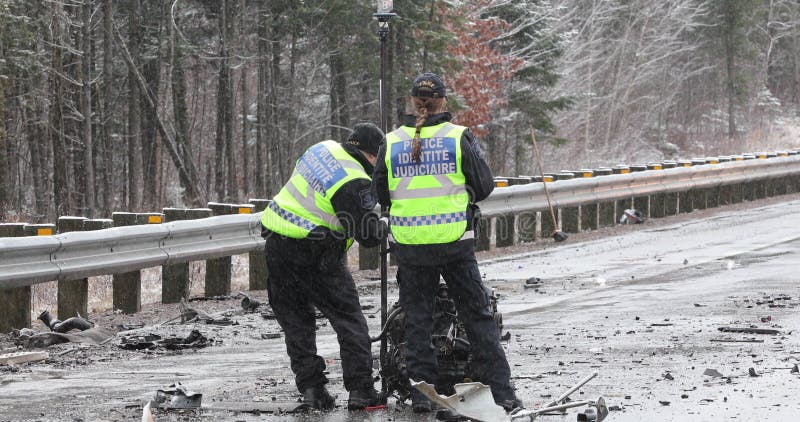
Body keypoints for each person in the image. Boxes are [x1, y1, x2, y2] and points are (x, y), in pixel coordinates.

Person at [372, 73, 523, 413]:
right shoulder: (458, 138)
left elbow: (380, 193)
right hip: (455, 244)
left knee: (418, 322)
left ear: (413, 102)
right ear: (443, 101)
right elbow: (484, 185)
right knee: (478, 319)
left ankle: (422, 398)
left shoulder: (391, 142)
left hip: (411, 246)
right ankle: (502, 394)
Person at [260, 123, 387, 411]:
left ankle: (312, 390)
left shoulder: (322, 148)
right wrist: (384, 227)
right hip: (316, 251)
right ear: (370, 156)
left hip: (277, 244)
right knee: (348, 319)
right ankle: (361, 390)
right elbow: (366, 235)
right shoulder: (353, 180)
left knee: (296, 322)